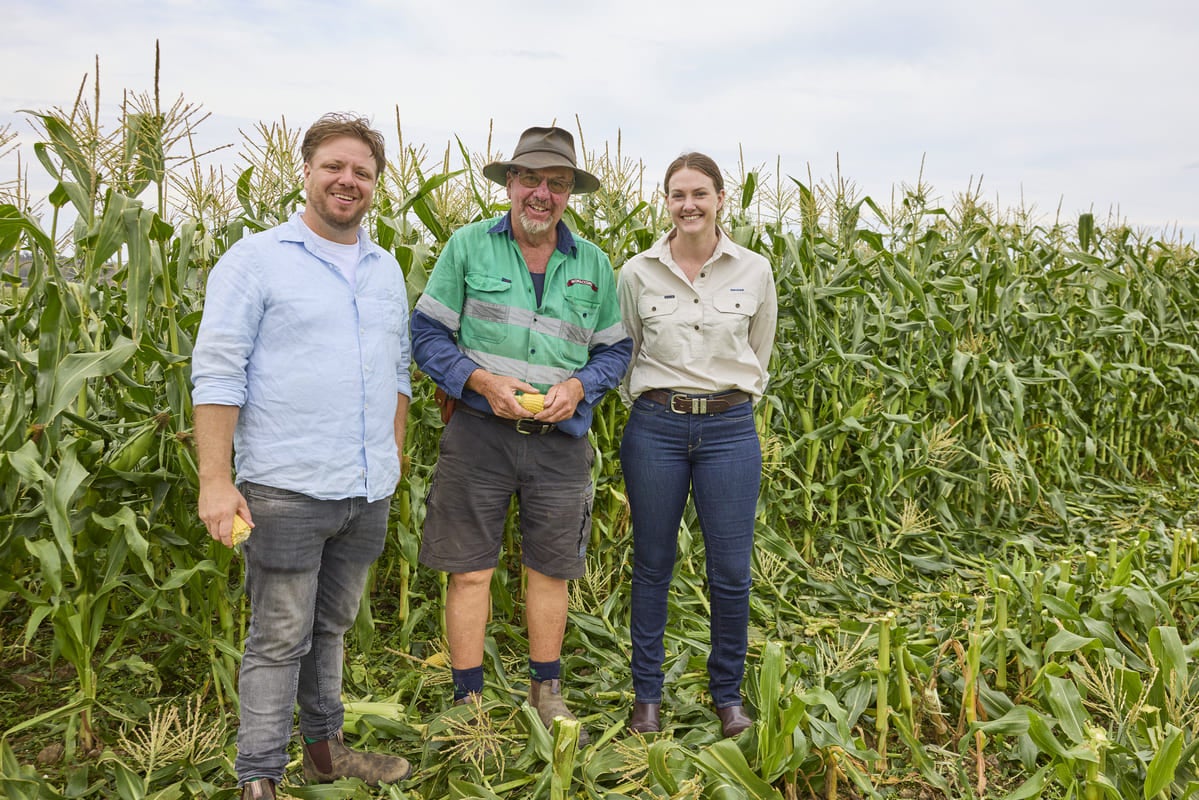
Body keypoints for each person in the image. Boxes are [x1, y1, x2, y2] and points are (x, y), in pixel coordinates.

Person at [192, 113, 414, 799]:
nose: (348, 181)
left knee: (332, 629)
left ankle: (325, 752)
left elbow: (398, 371)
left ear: (375, 184)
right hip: (286, 488)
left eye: (362, 172)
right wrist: (215, 480)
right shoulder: (256, 260)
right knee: (279, 637)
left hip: (365, 489)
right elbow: (218, 372)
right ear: (308, 171)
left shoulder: (384, 268)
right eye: (334, 167)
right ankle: (258, 777)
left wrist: (393, 457)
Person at [410, 125, 631, 746]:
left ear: (569, 194)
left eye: (556, 184)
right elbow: (426, 335)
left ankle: (546, 690)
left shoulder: (593, 264)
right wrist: (480, 381)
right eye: (530, 179)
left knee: (550, 570)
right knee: (469, 570)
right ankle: (468, 698)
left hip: (560, 440)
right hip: (479, 433)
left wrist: (580, 387)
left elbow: (615, 351)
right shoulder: (468, 246)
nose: (542, 193)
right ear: (510, 183)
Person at [617, 152, 778, 738]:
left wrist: (722, 397)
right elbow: (626, 349)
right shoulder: (637, 272)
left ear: (720, 199)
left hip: (729, 430)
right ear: (666, 201)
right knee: (652, 565)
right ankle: (647, 697)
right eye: (678, 194)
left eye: (700, 193)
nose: (689, 205)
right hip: (655, 428)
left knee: (731, 571)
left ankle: (728, 696)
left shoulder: (755, 270)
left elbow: (759, 350)